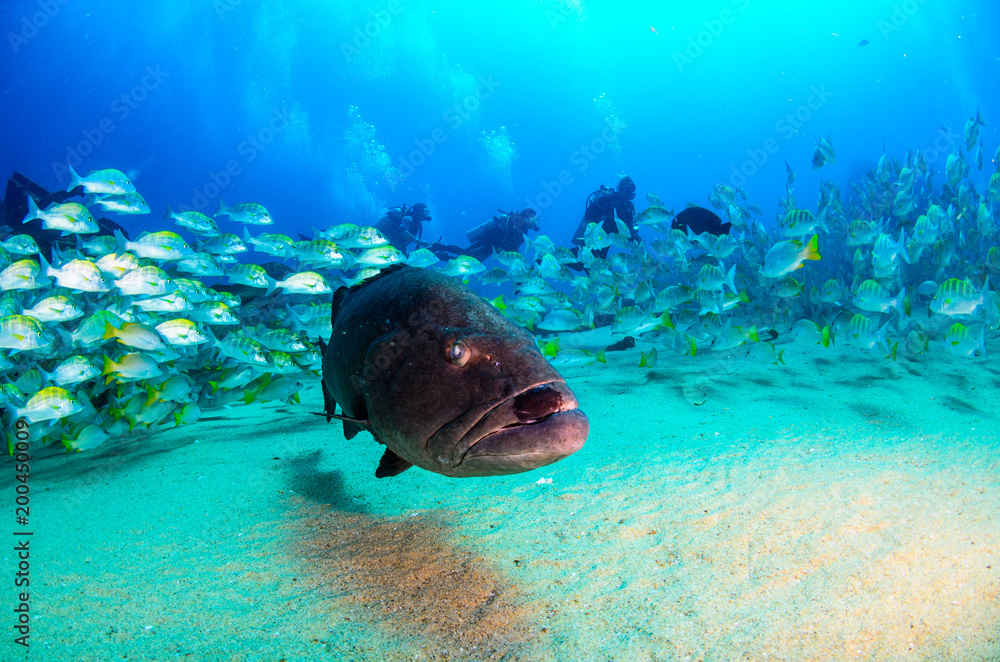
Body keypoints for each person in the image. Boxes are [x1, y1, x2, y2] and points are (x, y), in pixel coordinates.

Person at [570, 175, 641, 261]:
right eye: (625, 188)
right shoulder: (608, 199)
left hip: (606, 240)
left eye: (631, 189)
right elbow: (590, 212)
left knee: (596, 264)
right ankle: (564, 259)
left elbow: (628, 230)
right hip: (596, 235)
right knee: (582, 257)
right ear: (620, 188)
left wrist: (637, 241)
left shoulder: (628, 208)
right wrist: (593, 228)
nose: (628, 191)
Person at [433, 208, 539, 261]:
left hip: (493, 248)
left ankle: (441, 255)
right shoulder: (514, 222)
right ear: (526, 218)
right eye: (532, 219)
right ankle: (439, 247)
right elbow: (510, 239)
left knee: (473, 262)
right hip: (487, 242)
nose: (533, 222)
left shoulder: (522, 228)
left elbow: (514, 245)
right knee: (466, 254)